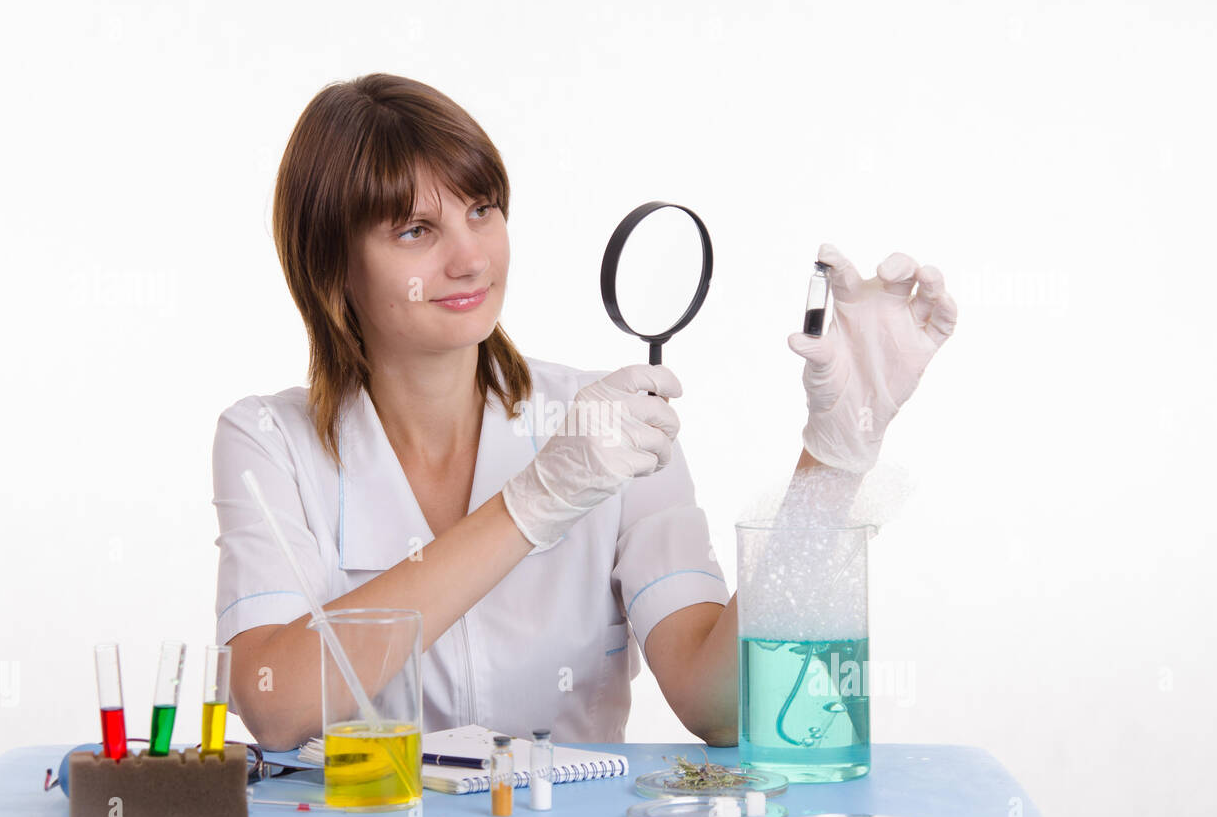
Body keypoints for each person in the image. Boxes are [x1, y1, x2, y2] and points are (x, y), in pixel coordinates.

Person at [211, 73, 957, 752]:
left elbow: (719, 704)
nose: (470, 259)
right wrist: (532, 506)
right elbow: (276, 707)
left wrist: (831, 458)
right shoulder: (270, 442)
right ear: (330, 263)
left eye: (482, 210)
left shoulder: (611, 428)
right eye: (415, 230)